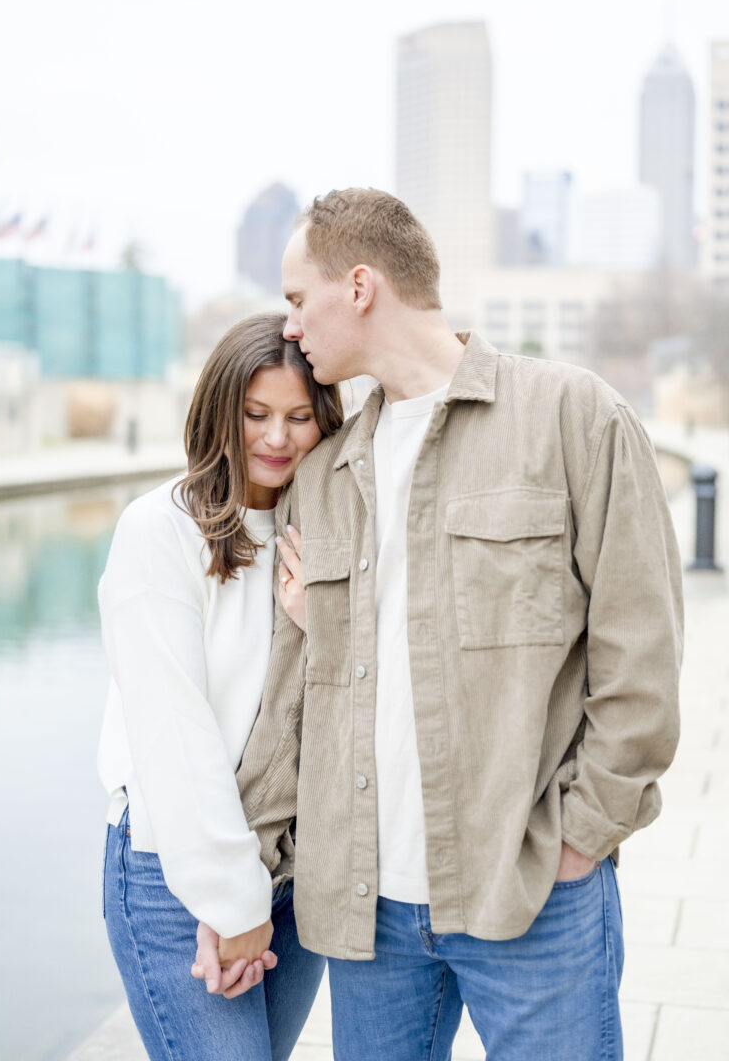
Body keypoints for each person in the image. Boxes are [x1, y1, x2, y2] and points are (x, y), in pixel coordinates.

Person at [228, 190, 683, 1061]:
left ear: (358, 285)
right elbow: (293, 703)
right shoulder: (322, 477)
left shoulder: (573, 418)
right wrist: (244, 874)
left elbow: (644, 663)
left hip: (528, 895)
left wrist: (584, 836)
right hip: (368, 920)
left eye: (296, 299)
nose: (289, 330)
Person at [97, 312, 342, 1061]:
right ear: (218, 414)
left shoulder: (331, 533)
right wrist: (234, 905)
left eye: (299, 417)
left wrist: (318, 622)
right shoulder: (161, 531)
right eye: (255, 414)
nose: (276, 438)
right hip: (178, 868)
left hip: (297, 871)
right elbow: (177, 740)